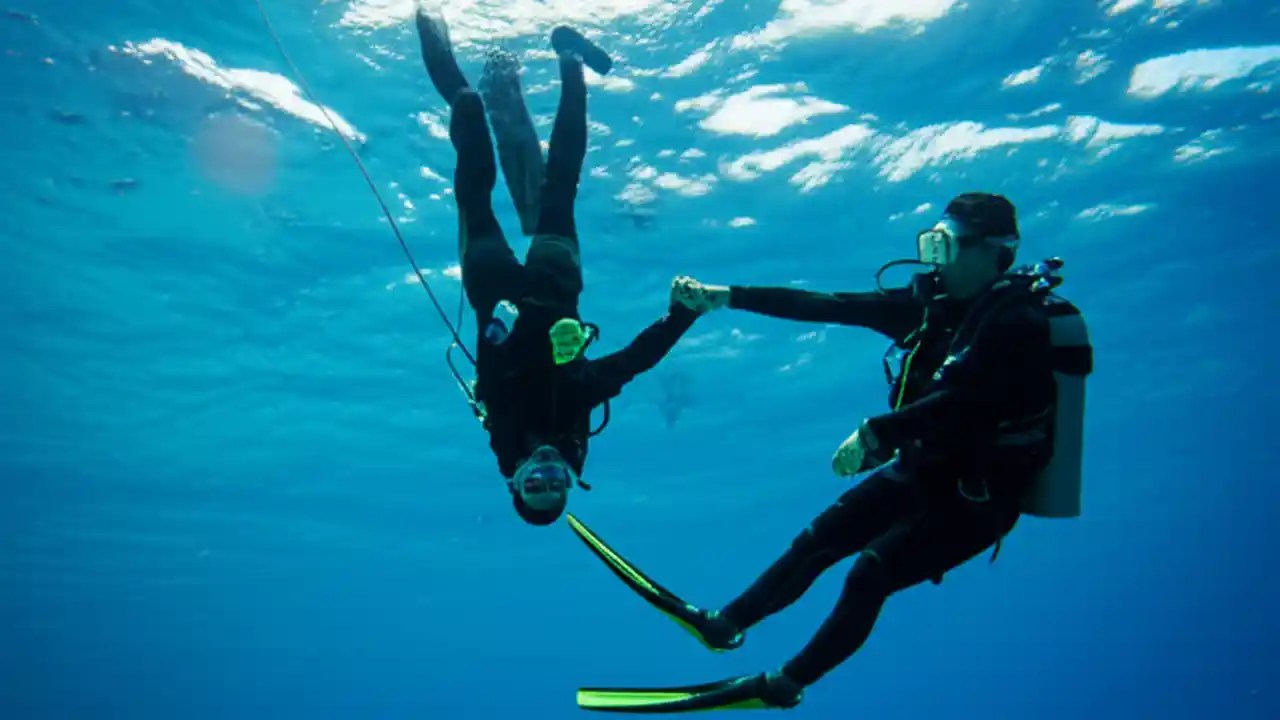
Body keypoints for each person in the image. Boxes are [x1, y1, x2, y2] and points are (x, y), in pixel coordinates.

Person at [569, 193, 1094, 712]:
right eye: (932, 245)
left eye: (947, 246)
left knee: (871, 573)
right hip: (924, 466)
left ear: (994, 251)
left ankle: (782, 684)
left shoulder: (1018, 324)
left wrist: (874, 434)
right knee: (818, 540)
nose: (936, 261)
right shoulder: (930, 309)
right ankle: (723, 625)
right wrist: (722, 295)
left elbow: (965, 401)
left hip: (980, 497)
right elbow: (827, 306)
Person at [415, 7, 698, 526]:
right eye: (556, 485)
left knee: (474, 164)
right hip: (552, 286)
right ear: (570, 477)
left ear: (516, 479)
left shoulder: (504, 425)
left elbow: (498, 359)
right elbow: (634, 361)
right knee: (560, 184)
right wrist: (682, 316)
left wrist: (517, 327)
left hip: (497, 292)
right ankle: (568, 55)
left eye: (535, 485)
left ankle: (455, 78)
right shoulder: (576, 415)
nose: (547, 473)